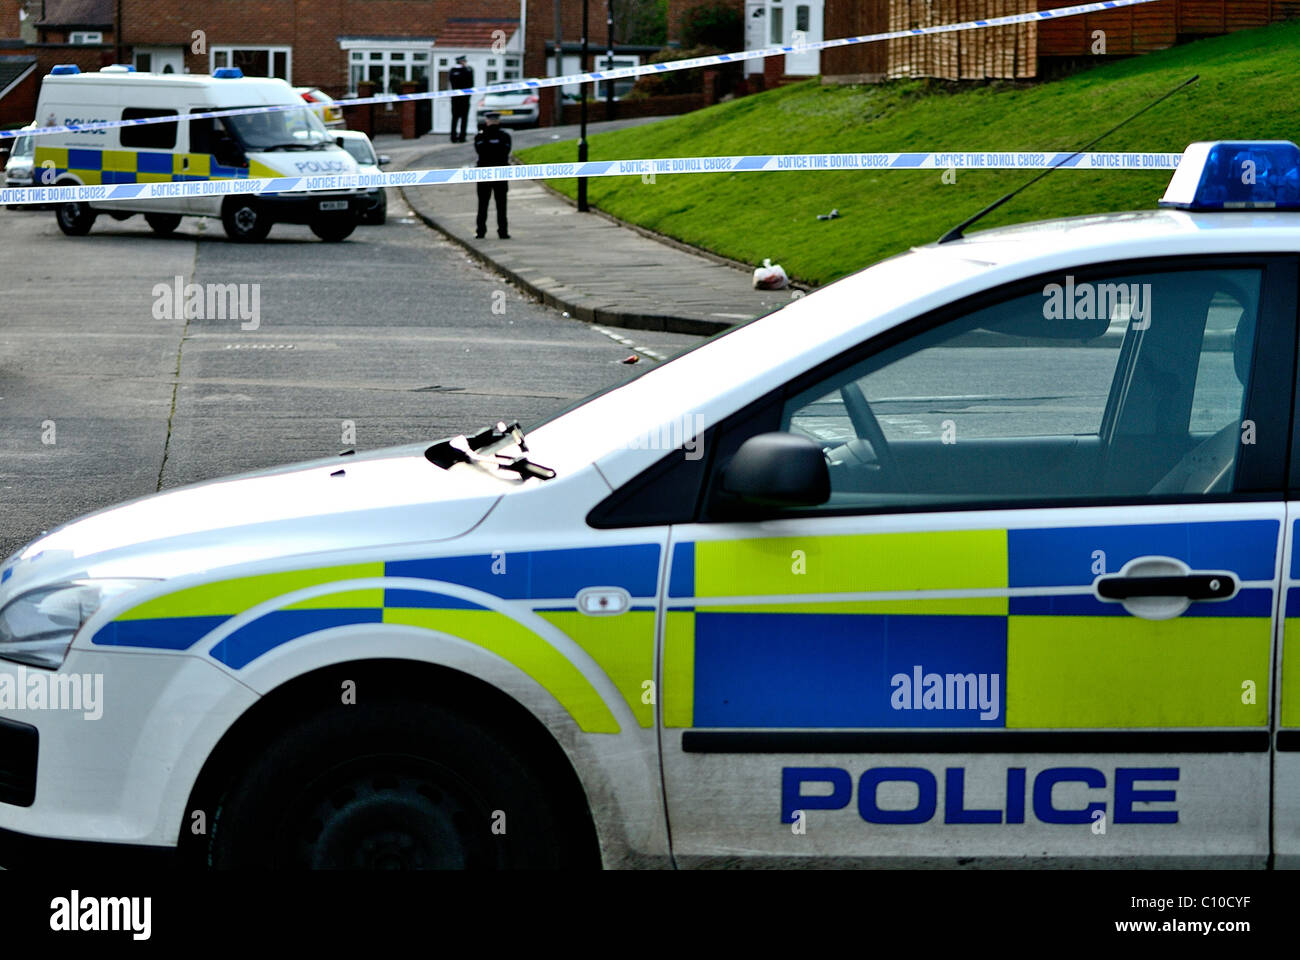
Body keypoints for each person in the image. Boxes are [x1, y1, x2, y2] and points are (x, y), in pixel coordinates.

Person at [474, 112, 512, 239]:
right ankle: (495, 231)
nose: (493, 122)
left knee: (490, 204)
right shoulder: (502, 136)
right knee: (493, 204)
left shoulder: (484, 136)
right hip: (491, 173)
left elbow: (486, 151)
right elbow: (498, 151)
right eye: (493, 120)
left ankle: (489, 231)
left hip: (491, 173)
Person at [448, 56, 473, 143]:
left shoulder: (453, 71)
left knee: (457, 118)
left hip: (458, 98)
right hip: (461, 99)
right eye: (463, 61)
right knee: (459, 118)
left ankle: (456, 137)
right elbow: (470, 82)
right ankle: (458, 137)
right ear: (461, 62)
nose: (465, 62)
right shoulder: (466, 70)